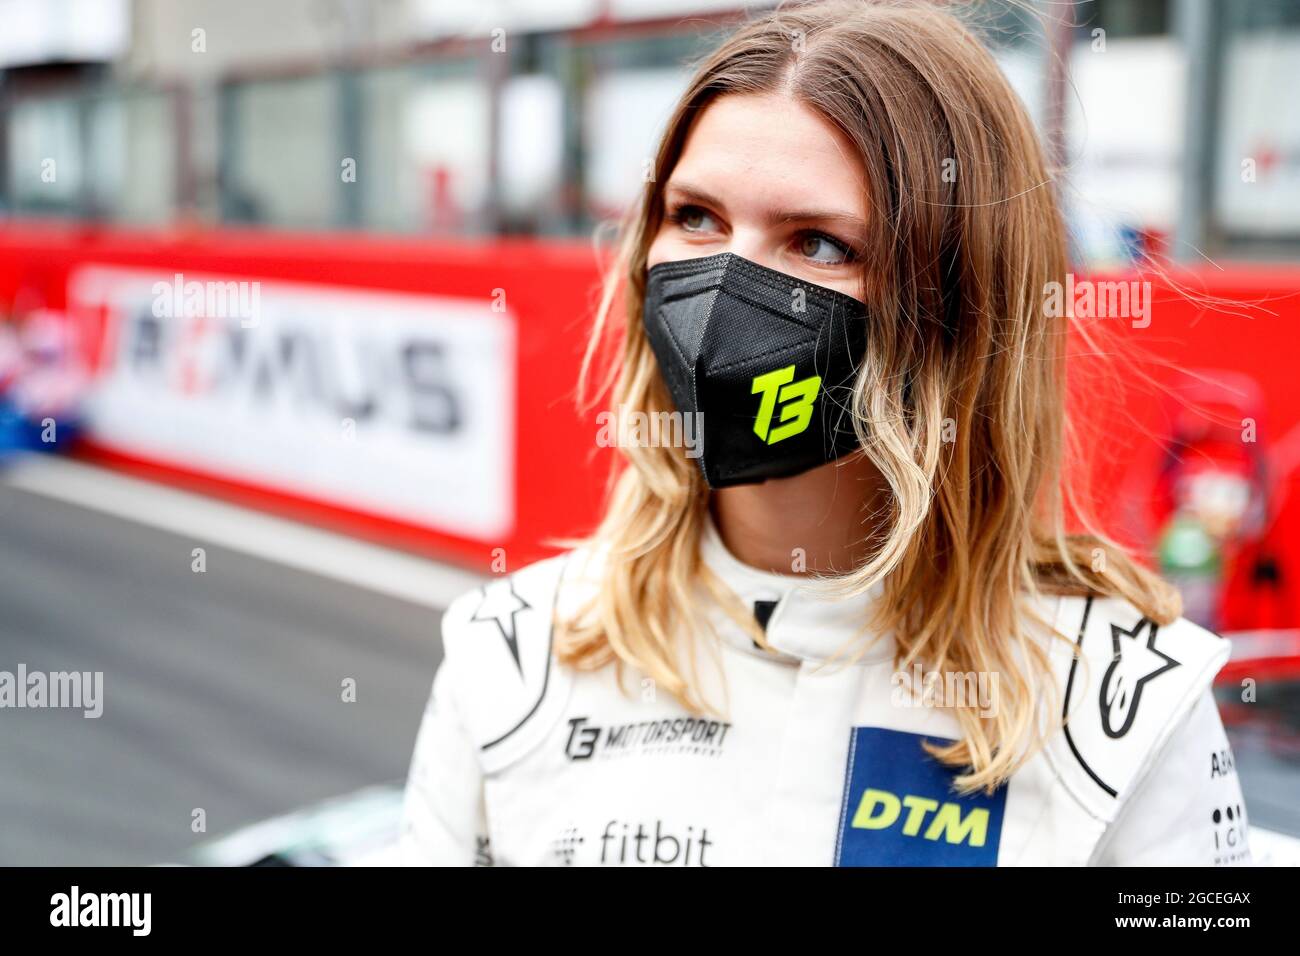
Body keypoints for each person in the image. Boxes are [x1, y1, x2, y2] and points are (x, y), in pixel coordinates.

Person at [397, 0, 1251, 866]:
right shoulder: (511, 649)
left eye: (818, 243)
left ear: (959, 308)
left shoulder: (1127, 699)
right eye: (696, 217)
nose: (727, 286)